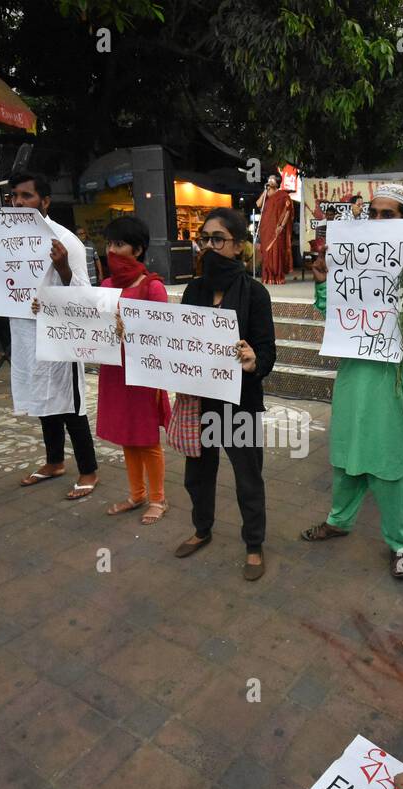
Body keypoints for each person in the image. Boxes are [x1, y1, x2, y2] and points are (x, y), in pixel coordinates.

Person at [302, 184, 403, 578]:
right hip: (355, 374)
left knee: (388, 465)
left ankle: (402, 545)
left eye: (389, 215)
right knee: (347, 454)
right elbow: (332, 315)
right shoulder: (351, 261)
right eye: (373, 214)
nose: (378, 222)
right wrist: (323, 281)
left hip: (393, 379)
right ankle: (339, 520)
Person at [0, 169, 98, 499]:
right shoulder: (0, 239)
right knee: (42, 399)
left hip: (59, 334)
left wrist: (62, 268)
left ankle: (88, 470)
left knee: (70, 403)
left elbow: (84, 296)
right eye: (14, 196)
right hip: (23, 332)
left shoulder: (65, 241)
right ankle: (54, 462)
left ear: (45, 201)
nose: (17, 202)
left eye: (26, 196)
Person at [173, 207, 276, 580]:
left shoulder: (255, 293)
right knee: (197, 474)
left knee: (248, 476)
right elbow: (180, 339)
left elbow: (267, 351)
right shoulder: (195, 289)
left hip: (240, 404)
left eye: (218, 239)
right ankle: (202, 528)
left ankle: (253, 544)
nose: (209, 246)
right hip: (200, 401)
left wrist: (253, 361)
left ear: (238, 247)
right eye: (205, 238)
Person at [97, 216, 172, 525]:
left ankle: (158, 498)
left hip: (144, 375)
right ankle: (136, 494)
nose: (112, 250)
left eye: (120, 244)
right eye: (110, 243)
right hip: (115, 372)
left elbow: (163, 333)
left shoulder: (153, 287)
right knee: (127, 436)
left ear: (138, 250)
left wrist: (131, 329)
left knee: (146, 439)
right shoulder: (104, 286)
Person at [255, 172, 293, 285]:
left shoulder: (283, 196)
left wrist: (282, 226)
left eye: (272, 180)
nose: (269, 182)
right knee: (266, 254)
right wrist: (265, 192)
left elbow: (287, 211)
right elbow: (258, 204)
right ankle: (267, 276)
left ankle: (277, 277)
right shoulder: (266, 195)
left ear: (277, 183)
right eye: (269, 179)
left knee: (276, 252)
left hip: (277, 229)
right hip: (265, 228)